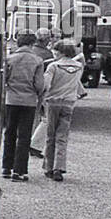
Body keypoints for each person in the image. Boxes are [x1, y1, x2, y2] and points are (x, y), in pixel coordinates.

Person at [40, 40, 88, 181]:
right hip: (69, 103)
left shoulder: (53, 66)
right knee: (62, 136)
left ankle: (48, 167)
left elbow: (46, 85)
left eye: (55, 51)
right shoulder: (79, 67)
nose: (53, 53)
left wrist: (42, 99)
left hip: (53, 102)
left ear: (61, 52)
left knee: (50, 136)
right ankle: (59, 168)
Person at [2, 32, 45, 181]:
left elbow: (3, 79)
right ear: (32, 44)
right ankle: (19, 171)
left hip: (11, 100)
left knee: (9, 133)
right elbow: (39, 84)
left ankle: (6, 167)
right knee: (24, 136)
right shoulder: (37, 61)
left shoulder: (10, 58)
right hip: (28, 102)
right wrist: (39, 95)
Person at [27, 27, 55, 158]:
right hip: (40, 89)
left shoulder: (30, 51)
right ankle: (33, 144)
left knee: (29, 117)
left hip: (24, 89)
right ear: (47, 40)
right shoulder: (48, 55)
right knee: (42, 118)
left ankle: (26, 141)